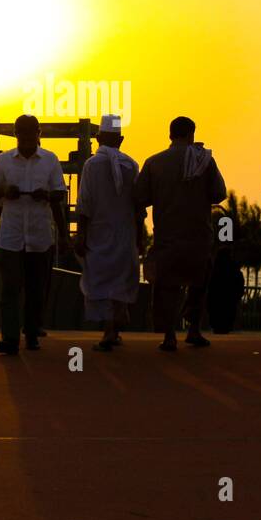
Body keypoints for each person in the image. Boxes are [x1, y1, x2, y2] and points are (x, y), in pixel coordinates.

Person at [133, 116, 227, 351]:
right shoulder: (204, 161)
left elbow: (139, 198)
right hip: (198, 237)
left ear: (170, 135)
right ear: (191, 134)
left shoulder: (154, 162)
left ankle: (169, 335)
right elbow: (219, 193)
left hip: (167, 237)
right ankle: (193, 330)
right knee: (198, 286)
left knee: (166, 288)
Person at [0, 114, 69, 354]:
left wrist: (45, 196)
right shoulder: (3, 161)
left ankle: (31, 333)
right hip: (11, 236)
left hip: (39, 236)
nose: (27, 138)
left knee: (36, 289)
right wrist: (6, 191)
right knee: (10, 288)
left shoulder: (49, 161)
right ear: (16, 134)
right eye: (23, 133)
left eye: (30, 133)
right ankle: (10, 338)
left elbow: (59, 194)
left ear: (38, 134)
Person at [74, 115, 145, 352]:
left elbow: (84, 204)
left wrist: (81, 235)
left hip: (99, 234)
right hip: (125, 234)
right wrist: (141, 236)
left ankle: (108, 331)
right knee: (119, 280)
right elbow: (139, 206)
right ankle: (114, 326)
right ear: (121, 139)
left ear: (98, 138)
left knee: (101, 282)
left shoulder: (92, 165)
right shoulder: (131, 165)